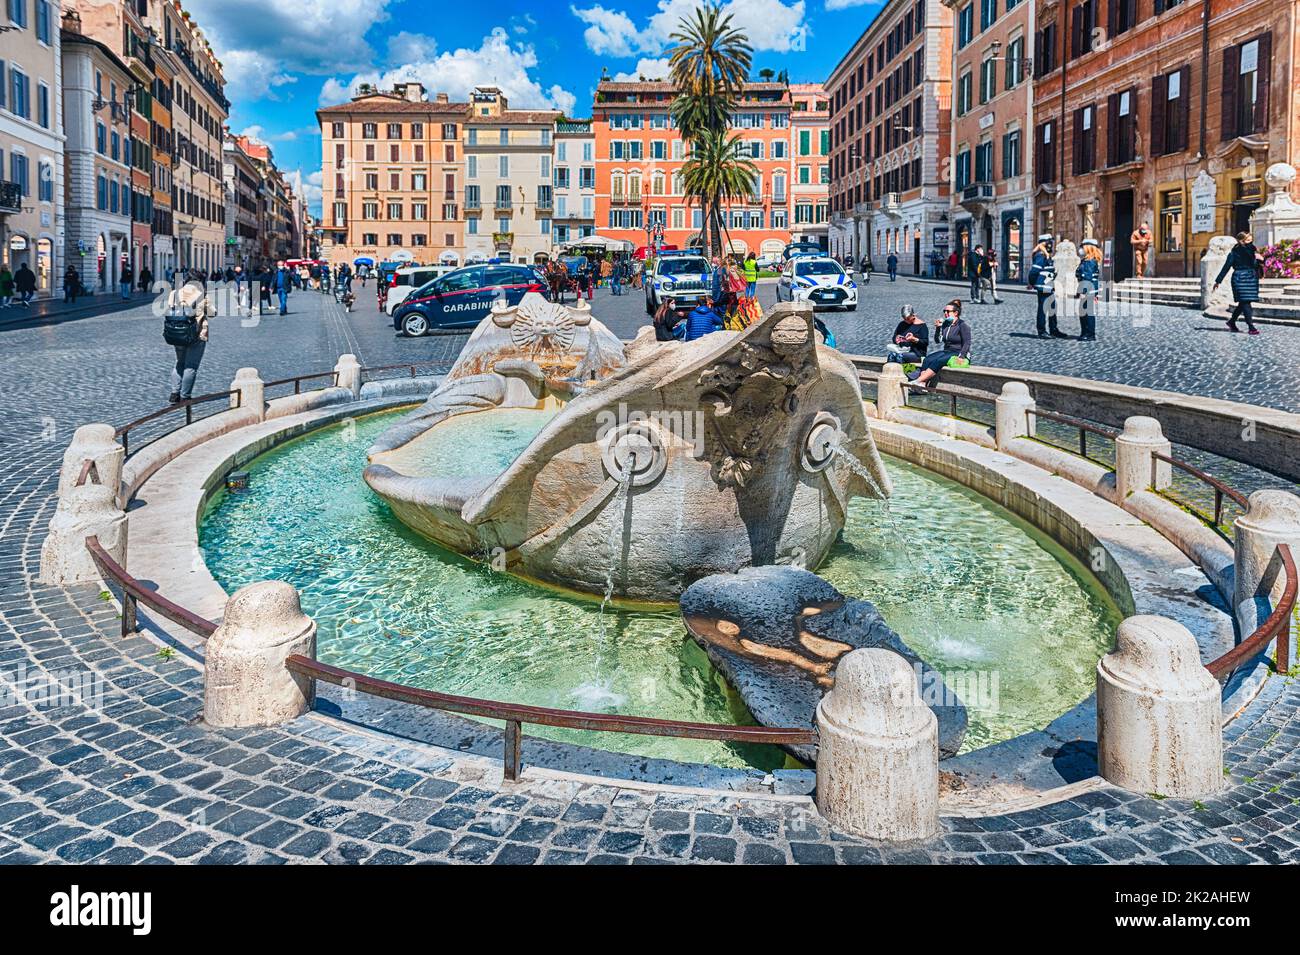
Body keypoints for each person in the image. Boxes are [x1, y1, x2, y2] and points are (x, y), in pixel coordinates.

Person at [165, 276, 214, 403]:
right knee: (191, 366)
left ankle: (174, 393)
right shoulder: (201, 295)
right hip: (197, 334)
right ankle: (185, 396)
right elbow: (212, 313)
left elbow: (170, 309)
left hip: (177, 333)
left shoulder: (174, 293)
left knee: (179, 362)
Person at [907, 299, 972, 388]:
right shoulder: (946, 324)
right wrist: (938, 329)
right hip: (947, 350)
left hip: (958, 351)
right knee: (927, 359)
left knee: (939, 361)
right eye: (944, 311)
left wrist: (961, 356)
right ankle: (922, 384)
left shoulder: (962, 325)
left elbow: (967, 343)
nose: (945, 313)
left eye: (948, 311)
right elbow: (938, 341)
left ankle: (918, 381)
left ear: (956, 313)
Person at [1212, 231, 1263, 335]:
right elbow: (1226, 267)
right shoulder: (1234, 253)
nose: (1250, 242)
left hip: (1251, 278)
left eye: (1251, 240)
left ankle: (1231, 322)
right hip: (1239, 279)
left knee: (1243, 303)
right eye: (1248, 240)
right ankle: (1251, 327)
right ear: (1242, 241)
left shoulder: (1253, 252)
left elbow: (1255, 265)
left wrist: (1260, 259)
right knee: (1246, 302)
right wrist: (1218, 281)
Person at [1027, 235, 1064, 338]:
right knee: (1043, 309)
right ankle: (1042, 331)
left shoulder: (1047, 256)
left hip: (1049, 286)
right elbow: (1034, 271)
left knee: (1052, 308)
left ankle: (1053, 329)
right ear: (1044, 243)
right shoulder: (1040, 255)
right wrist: (1032, 283)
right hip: (1043, 286)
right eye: (1049, 242)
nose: (1051, 244)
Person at [1075, 238, 1102, 341]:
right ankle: (1085, 332)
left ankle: (1090, 334)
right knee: (1084, 312)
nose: (1081, 249)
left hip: (1087, 290)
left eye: (1083, 247)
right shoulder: (1086, 260)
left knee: (1087, 312)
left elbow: (1088, 278)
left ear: (1088, 248)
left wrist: (1084, 292)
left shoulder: (1090, 262)